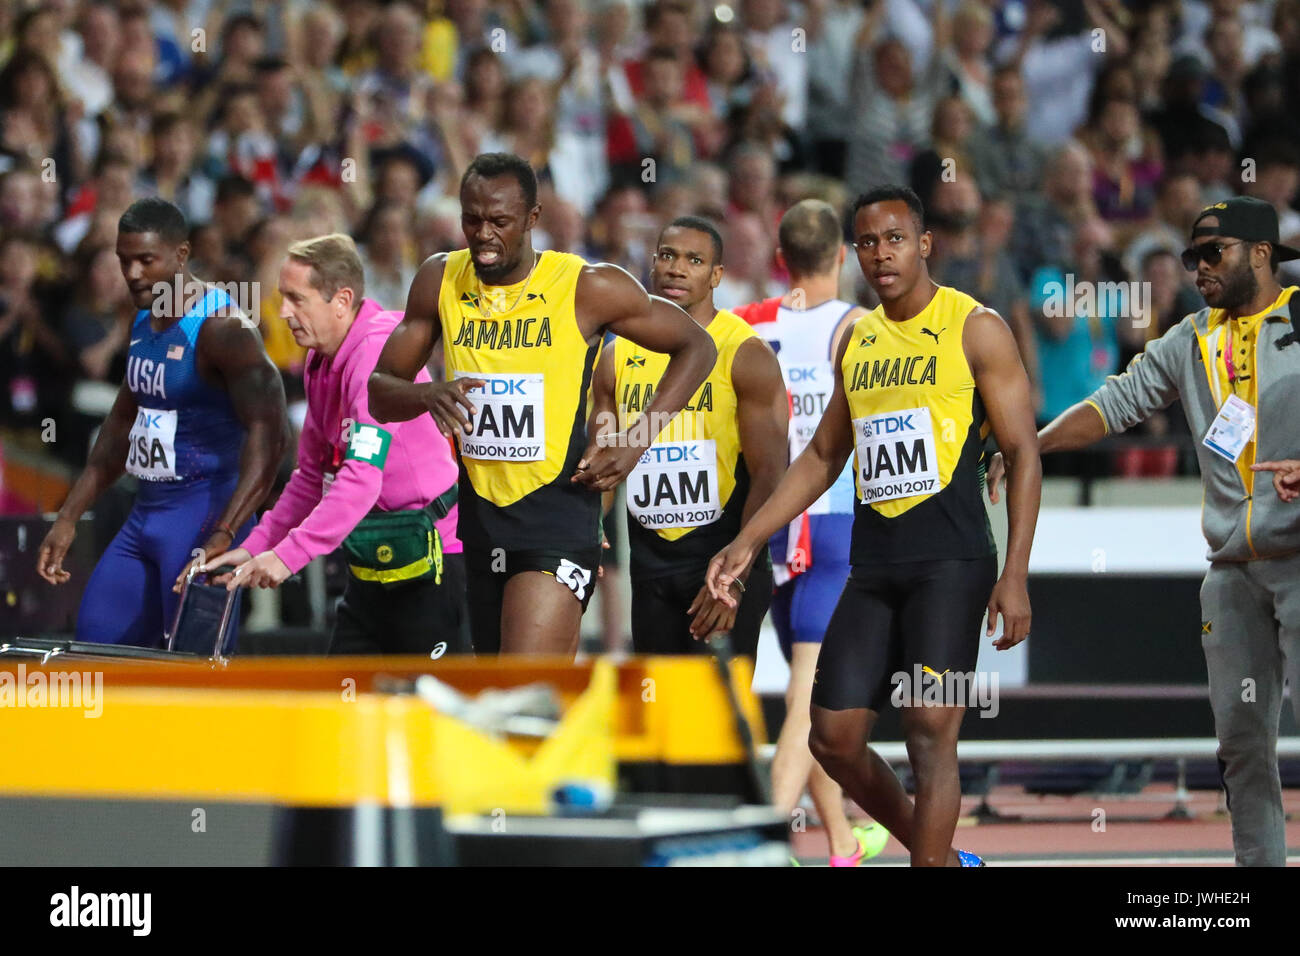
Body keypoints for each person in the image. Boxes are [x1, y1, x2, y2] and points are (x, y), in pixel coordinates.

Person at [707, 185, 1041, 866]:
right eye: (866, 242)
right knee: (832, 738)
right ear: (851, 251)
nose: (880, 254)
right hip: (874, 565)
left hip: (952, 564)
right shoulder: (857, 338)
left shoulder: (974, 326)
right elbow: (826, 454)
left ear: (924, 244)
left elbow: (1023, 453)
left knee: (929, 729)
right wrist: (747, 538)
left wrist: (1015, 575)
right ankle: (938, 856)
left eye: (894, 239)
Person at [990, 195, 1300, 867]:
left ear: (1263, 254)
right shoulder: (1191, 340)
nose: (1198, 270)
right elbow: (1115, 403)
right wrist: (1031, 448)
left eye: (1213, 254)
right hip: (1231, 572)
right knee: (1241, 747)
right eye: (1191, 258)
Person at [369, 152, 716, 657]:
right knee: (505, 707)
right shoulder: (440, 278)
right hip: (481, 525)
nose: (483, 233)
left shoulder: (585, 287)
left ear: (532, 219)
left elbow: (697, 346)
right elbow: (381, 393)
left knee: (522, 685)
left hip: (558, 519)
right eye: (472, 218)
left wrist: (636, 440)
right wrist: (426, 394)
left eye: (499, 221)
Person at [36, 197, 287, 649]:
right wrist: (69, 515)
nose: (132, 273)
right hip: (146, 514)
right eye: (124, 260)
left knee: (191, 668)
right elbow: (120, 425)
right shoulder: (142, 320)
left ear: (182, 255)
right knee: (96, 649)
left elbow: (271, 436)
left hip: (204, 517)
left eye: (145, 260)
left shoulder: (224, 327)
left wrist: (227, 531)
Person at [200, 233, 468, 655]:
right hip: (373, 562)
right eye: (281, 298)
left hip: (433, 561)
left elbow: (361, 478)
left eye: (296, 298)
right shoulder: (320, 359)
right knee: (342, 705)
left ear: (342, 300)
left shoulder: (376, 351)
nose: (284, 312)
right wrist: (255, 547)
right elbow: (311, 476)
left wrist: (288, 557)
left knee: (431, 711)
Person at [734, 198, 885, 866]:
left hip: (766, 521)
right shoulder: (859, 326)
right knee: (806, 698)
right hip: (830, 525)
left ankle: (843, 839)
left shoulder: (748, 324)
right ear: (844, 256)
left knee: (809, 693)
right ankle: (762, 839)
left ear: (779, 259)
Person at [588, 215, 786, 656]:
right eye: (667, 256)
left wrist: (737, 571)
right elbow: (601, 458)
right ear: (653, 264)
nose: (677, 268)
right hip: (649, 568)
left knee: (718, 714)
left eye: (694, 260)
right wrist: (587, 528)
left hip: (722, 566)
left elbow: (770, 472)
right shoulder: (617, 355)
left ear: (717, 275)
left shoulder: (745, 353)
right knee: (660, 714)